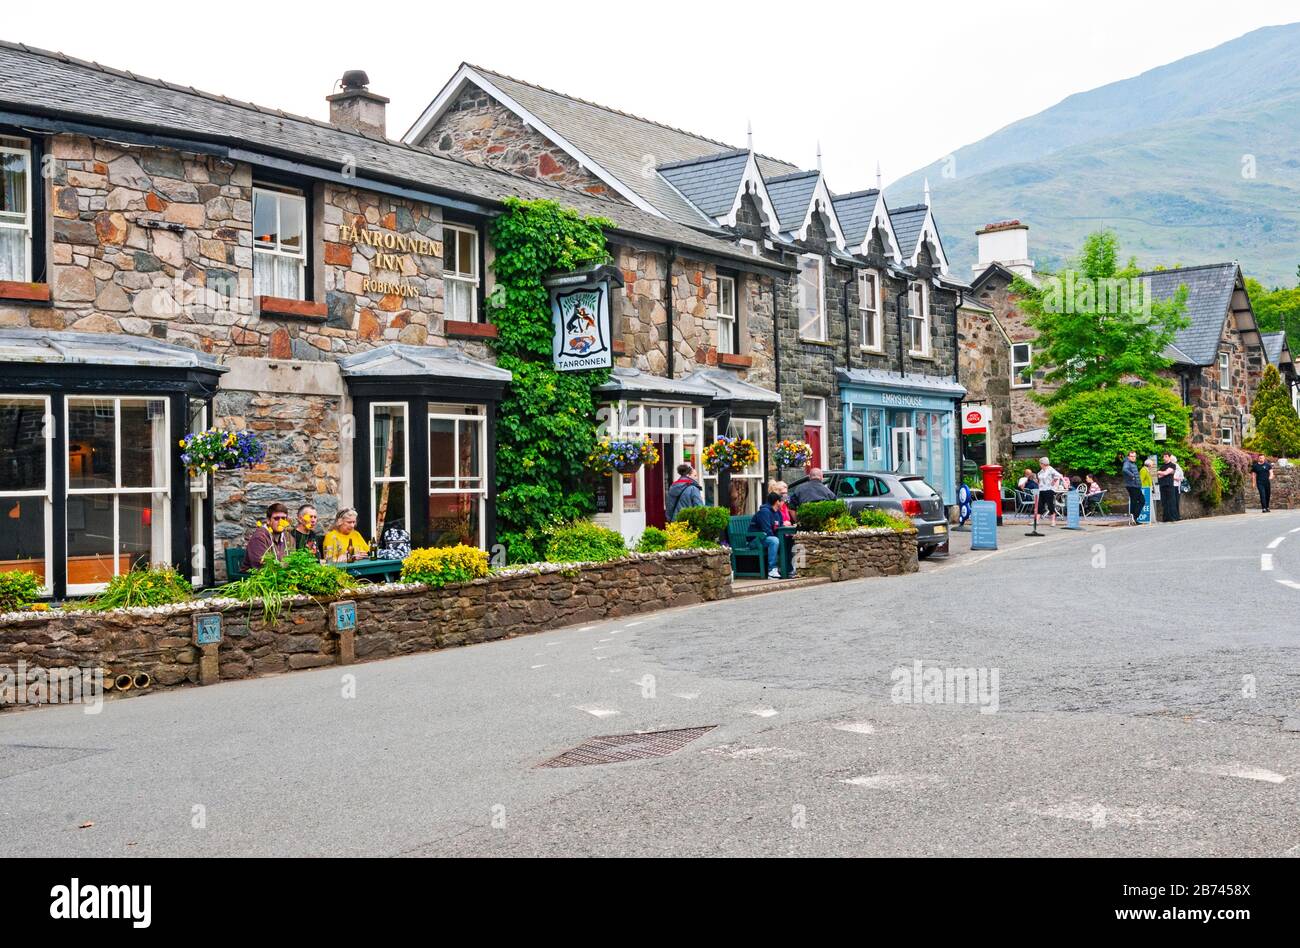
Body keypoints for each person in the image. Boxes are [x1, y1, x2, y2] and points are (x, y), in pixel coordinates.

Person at [243, 502, 291, 572]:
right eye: (276, 518)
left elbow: (292, 560)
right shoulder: (259, 537)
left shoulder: (288, 537)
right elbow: (261, 566)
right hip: (253, 578)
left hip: (280, 576)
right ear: (268, 521)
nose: (280, 522)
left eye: (283, 518)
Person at [749, 490, 784, 579]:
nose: (783, 503)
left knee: (785, 539)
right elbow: (766, 530)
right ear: (777, 502)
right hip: (755, 540)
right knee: (774, 540)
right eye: (781, 501)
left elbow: (780, 525)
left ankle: (786, 567)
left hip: (765, 539)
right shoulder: (764, 512)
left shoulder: (778, 512)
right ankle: (772, 570)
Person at [1037, 456, 1062, 527]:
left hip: (1049, 489)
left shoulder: (1050, 469)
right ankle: (1037, 521)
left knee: (1050, 505)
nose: (1039, 465)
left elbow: (1058, 475)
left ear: (1042, 463)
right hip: (1042, 489)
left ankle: (1053, 521)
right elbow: (1040, 479)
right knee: (1040, 505)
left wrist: (1054, 481)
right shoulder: (1041, 471)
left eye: (1040, 463)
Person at [1157, 453, 1180, 522]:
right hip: (1162, 485)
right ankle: (1166, 518)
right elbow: (1159, 476)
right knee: (1164, 502)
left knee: (1171, 501)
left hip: (1169, 485)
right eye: (1163, 456)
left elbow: (1165, 473)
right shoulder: (1162, 466)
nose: (1164, 458)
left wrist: (1160, 472)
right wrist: (1162, 473)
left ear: (1169, 457)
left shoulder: (1172, 465)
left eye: (1166, 456)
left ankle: (1173, 518)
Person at [1122, 450, 1144, 524]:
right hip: (1132, 485)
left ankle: (1134, 518)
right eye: (1131, 456)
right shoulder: (1127, 463)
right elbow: (1124, 469)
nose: (1133, 458)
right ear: (1128, 457)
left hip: (1135, 485)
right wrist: (1132, 476)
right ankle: (1134, 517)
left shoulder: (1132, 463)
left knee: (1137, 501)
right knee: (1139, 501)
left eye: (1134, 456)